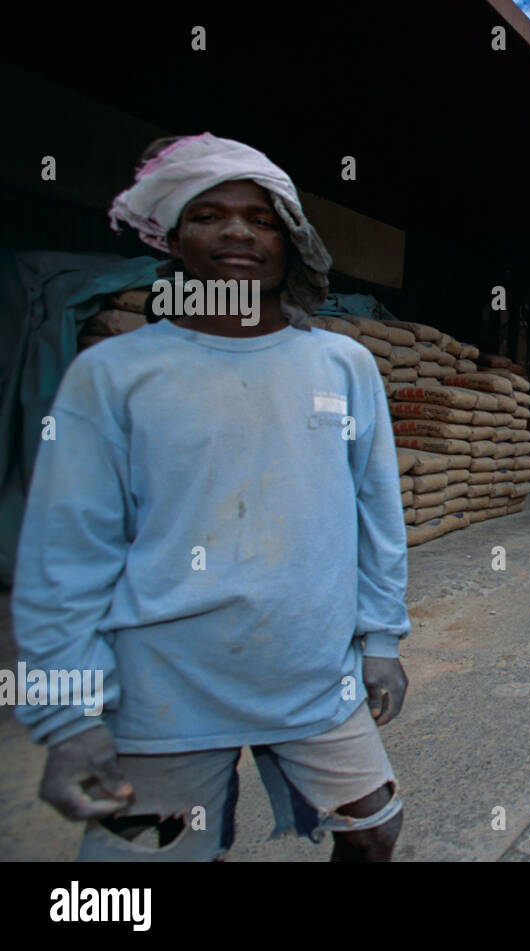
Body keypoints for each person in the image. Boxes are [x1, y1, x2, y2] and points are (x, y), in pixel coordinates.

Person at [12, 133, 409, 862]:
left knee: (376, 827)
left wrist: (380, 640)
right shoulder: (116, 374)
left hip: (310, 673)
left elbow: (374, 513)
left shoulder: (343, 364)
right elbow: (63, 557)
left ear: (290, 242)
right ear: (174, 239)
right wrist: (67, 716)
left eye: (260, 219)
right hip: (163, 687)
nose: (236, 231)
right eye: (208, 214)